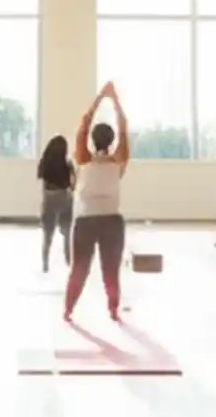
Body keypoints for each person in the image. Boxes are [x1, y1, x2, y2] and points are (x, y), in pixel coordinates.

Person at [64, 81, 129, 322]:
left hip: (86, 221)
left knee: (79, 270)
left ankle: (68, 309)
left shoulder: (82, 158)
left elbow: (83, 125)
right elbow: (124, 128)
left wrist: (100, 98)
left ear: (92, 139)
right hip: (112, 220)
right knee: (111, 272)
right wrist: (115, 102)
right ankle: (113, 308)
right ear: (111, 141)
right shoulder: (118, 161)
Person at [36, 134, 75, 272]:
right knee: (67, 234)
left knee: (47, 235)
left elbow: (43, 184)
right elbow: (73, 186)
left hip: (49, 199)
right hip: (64, 198)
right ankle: (69, 261)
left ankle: (45, 264)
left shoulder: (44, 164)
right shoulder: (68, 165)